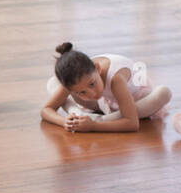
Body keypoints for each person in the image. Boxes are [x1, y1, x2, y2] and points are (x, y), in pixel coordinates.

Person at [41, 42, 172, 133]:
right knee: (53, 82)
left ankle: (97, 119)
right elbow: (46, 110)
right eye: (81, 92)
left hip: (135, 101)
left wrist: (93, 126)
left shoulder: (115, 79)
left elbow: (132, 123)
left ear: (97, 68)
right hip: (104, 102)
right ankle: (77, 114)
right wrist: (64, 122)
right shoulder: (76, 77)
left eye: (92, 84)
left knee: (163, 92)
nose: (92, 94)